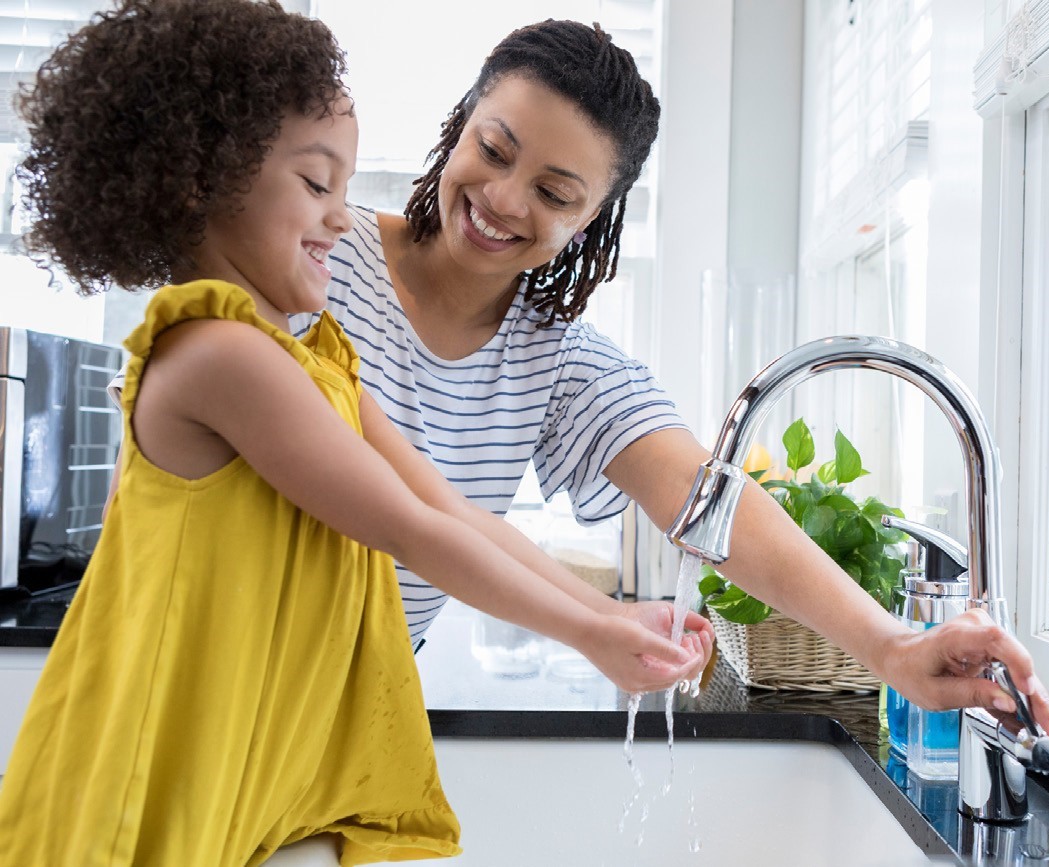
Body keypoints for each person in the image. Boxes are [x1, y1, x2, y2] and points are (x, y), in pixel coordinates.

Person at [0, 2, 708, 865]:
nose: (343, 217)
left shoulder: (310, 358)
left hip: (235, 755)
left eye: (343, 188)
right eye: (315, 184)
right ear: (204, 178)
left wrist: (610, 615)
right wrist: (594, 635)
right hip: (145, 768)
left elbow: (453, 509)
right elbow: (412, 530)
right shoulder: (223, 356)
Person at [303, 17, 1049, 738]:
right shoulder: (312, 259)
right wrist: (589, 621)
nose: (503, 199)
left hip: (342, 721)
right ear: (462, 121)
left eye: (553, 193)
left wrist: (894, 647)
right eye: (495, 150)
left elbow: (705, 495)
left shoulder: (558, 360)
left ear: (593, 219)